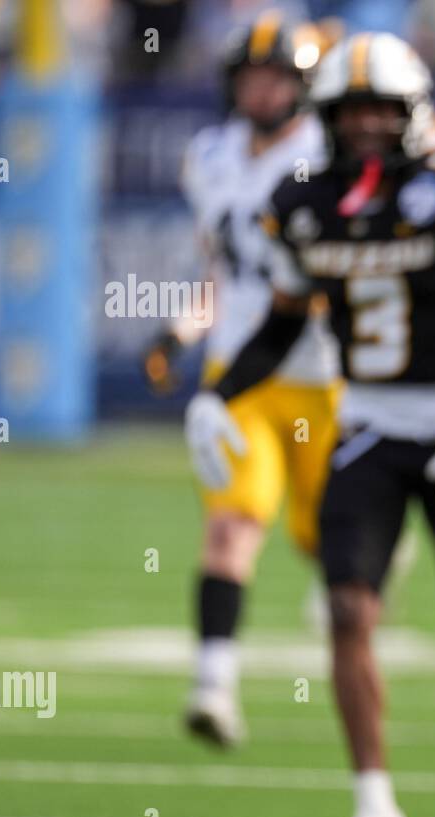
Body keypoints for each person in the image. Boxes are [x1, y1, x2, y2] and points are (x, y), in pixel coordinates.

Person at [183, 32, 435, 817]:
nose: (370, 126)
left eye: (385, 109)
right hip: (367, 427)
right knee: (348, 609)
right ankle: (375, 803)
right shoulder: (303, 202)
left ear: (413, 114)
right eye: (353, 112)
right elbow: (280, 324)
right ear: (329, 118)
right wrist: (218, 396)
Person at [142, 12, 341, 748]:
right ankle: (213, 684)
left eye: (277, 78)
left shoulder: (332, 154)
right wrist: (178, 331)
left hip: (329, 376)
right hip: (242, 376)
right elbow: (219, 273)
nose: (260, 91)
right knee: (231, 527)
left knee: (327, 542)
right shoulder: (211, 154)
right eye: (251, 78)